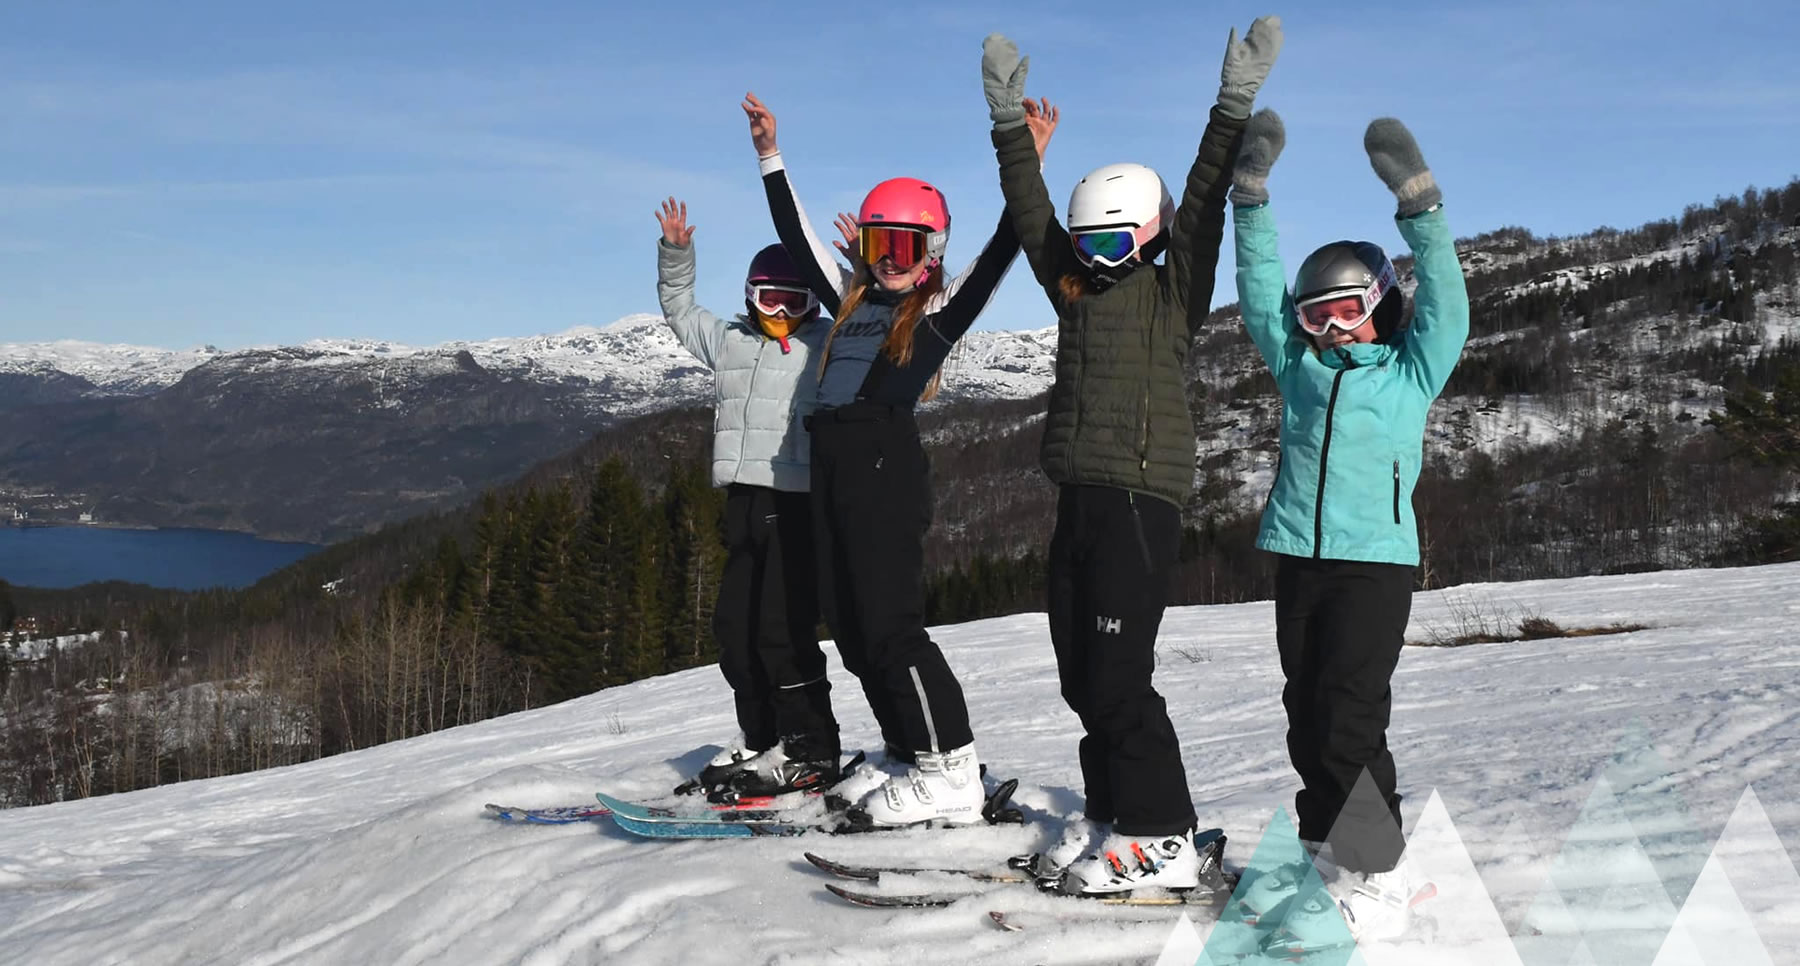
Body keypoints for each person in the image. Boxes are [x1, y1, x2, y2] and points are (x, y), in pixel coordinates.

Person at [979, 19, 1283, 894]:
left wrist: (1233, 103)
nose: (1101, 263)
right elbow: (1031, 210)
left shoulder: (1173, 291)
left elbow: (1206, 190)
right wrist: (1007, 120)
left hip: (1140, 502)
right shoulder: (1073, 288)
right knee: (1082, 675)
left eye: (1118, 245)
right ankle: (1115, 811)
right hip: (1078, 495)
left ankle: (1163, 834)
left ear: (1150, 239)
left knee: (1119, 676)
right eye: (1090, 247)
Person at [743, 90, 1048, 827]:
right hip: (833, 467)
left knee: (890, 626)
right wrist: (769, 155)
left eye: (905, 249)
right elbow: (798, 231)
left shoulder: (935, 318)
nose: (889, 261)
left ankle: (950, 767)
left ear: (930, 256)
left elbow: (1005, 249)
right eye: (879, 246)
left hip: (883, 472)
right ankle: (910, 751)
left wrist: (1027, 162)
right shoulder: (848, 303)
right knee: (848, 625)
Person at [1227, 106, 1469, 939]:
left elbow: (1447, 308)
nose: (1328, 329)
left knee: (1351, 717)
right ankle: (1330, 852)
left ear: (1380, 304)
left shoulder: (1410, 371)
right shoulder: (1299, 371)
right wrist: (1249, 200)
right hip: (1299, 556)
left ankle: (1378, 879)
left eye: (1345, 311)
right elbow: (1259, 291)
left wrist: (1418, 205)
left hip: (1375, 565)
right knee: (1307, 713)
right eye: (1314, 315)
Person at [652, 197, 842, 799]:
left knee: (781, 634)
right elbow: (680, 310)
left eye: (795, 298)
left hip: (797, 507)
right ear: (750, 296)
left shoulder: (825, 347)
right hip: (743, 505)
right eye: (769, 298)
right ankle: (762, 738)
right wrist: (677, 253)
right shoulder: (730, 342)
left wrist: (855, 271)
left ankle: (809, 744)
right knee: (735, 631)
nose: (782, 310)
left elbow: (873, 320)